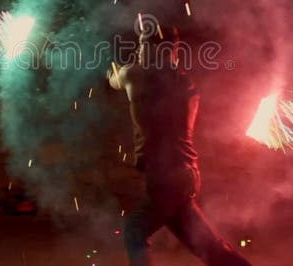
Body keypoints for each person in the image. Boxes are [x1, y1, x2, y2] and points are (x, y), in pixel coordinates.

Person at [107, 25, 251, 266]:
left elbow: (115, 81)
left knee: (135, 230)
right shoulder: (185, 82)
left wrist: (113, 70)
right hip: (186, 174)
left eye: (143, 44)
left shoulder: (137, 74)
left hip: (164, 177)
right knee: (210, 249)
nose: (140, 49)